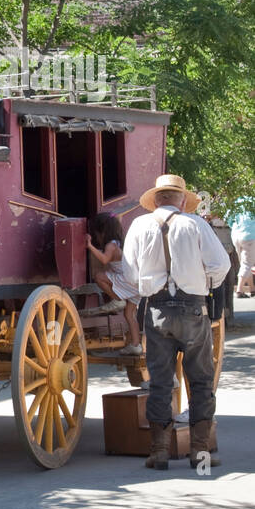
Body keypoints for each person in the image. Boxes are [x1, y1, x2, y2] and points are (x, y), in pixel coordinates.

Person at [121, 174, 231, 470]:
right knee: (201, 381)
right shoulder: (195, 224)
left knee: (159, 383)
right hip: (193, 309)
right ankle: (199, 453)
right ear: (183, 201)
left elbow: (130, 275)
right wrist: (205, 281)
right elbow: (222, 265)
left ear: (155, 200)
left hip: (155, 309)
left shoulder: (139, 226)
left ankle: (158, 453)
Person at [85, 212, 140, 355]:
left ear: (102, 232)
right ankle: (136, 345)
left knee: (99, 277)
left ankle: (116, 300)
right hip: (135, 283)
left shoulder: (111, 245)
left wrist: (89, 246)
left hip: (125, 280)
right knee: (129, 315)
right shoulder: (118, 242)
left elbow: (104, 260)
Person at [230, 204, 255, 298]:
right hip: (250, 235)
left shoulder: (238, 202)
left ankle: (252, 289)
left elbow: (229, 218)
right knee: (247, 264)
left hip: (236, 234)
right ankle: (239, 290)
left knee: (244, 263)